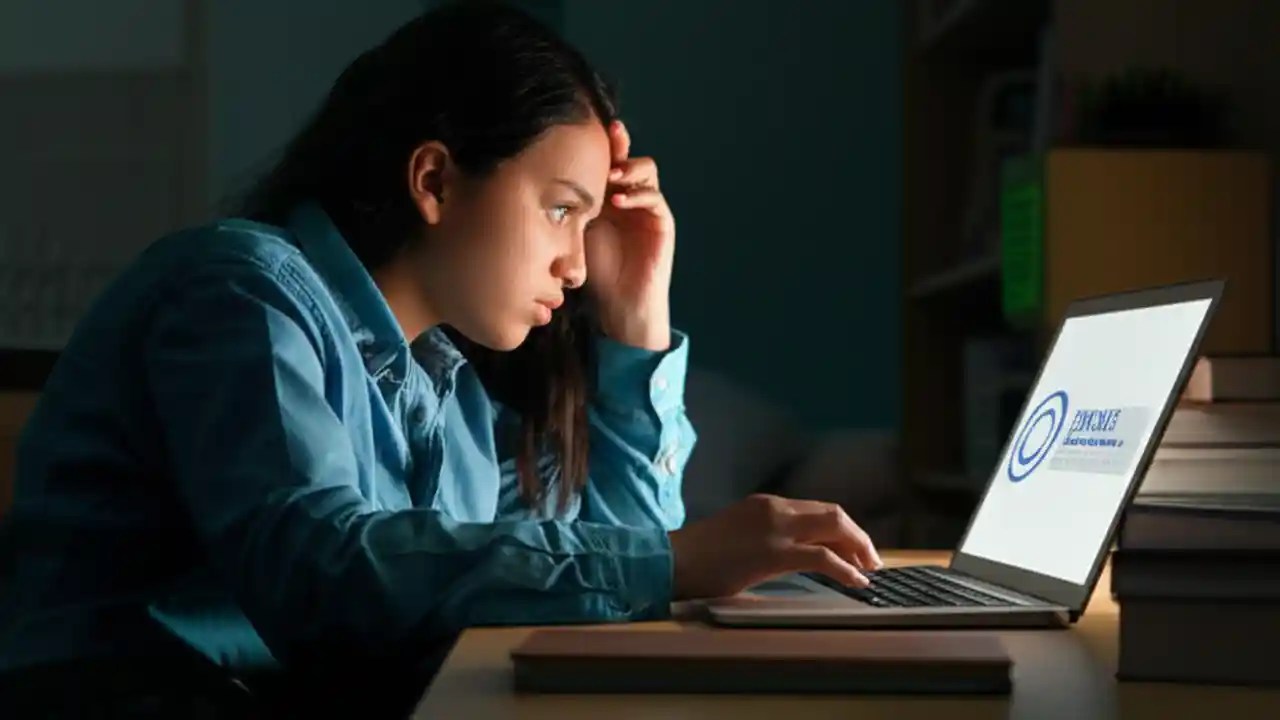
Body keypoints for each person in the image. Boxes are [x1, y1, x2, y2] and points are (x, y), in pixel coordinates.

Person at [0, 1, 880, 716]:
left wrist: (637, 315)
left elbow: (594, 558)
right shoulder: (239, 290)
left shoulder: (443, 390)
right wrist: (679, 562)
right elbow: (316, 570)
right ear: (434, 181)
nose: (576, 266)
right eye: (561, 210)